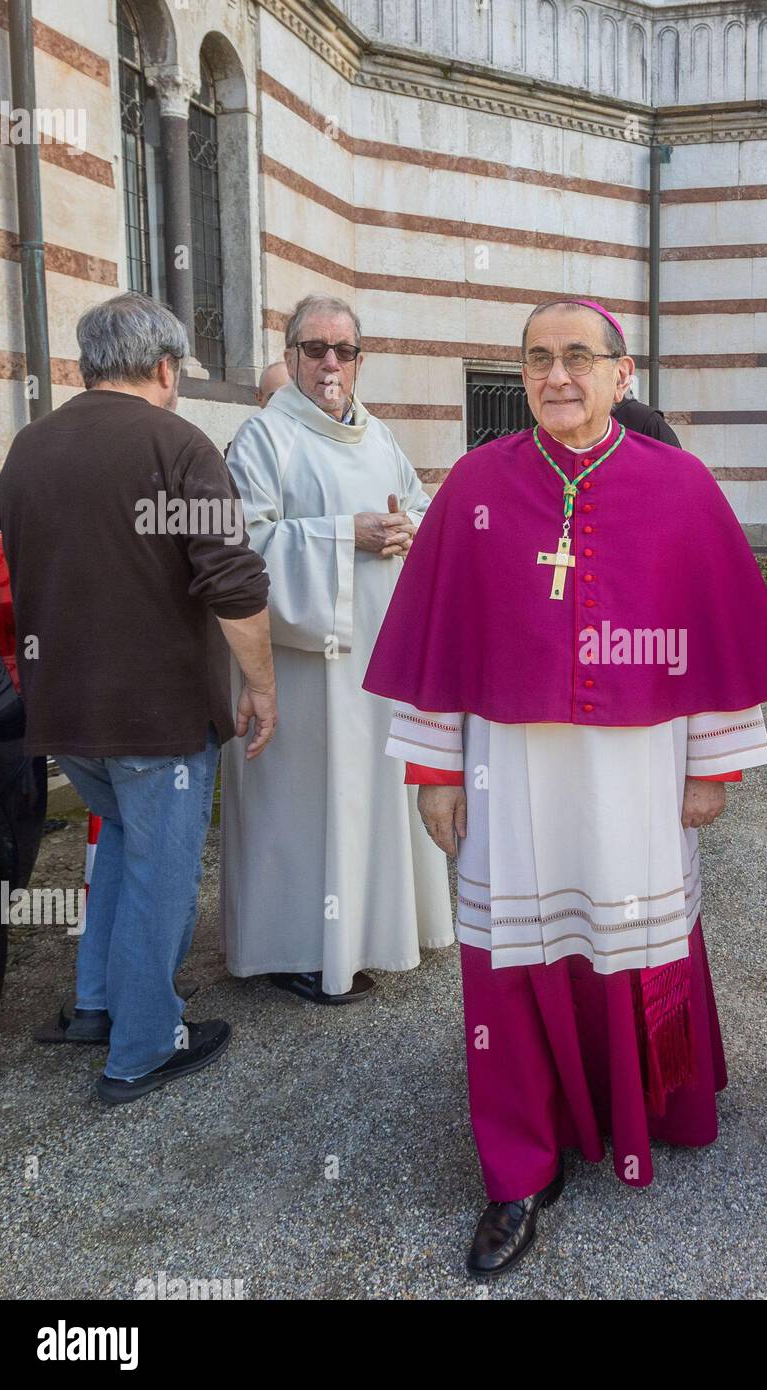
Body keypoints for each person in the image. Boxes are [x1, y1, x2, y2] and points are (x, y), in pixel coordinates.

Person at [364, 298, 767, 1275]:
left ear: (622, 371)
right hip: (507, 766)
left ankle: (642, 1103)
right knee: (512, 960)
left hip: (637, 768)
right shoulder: (476, 484)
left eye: (576, 357)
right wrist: (435, 773)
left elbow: (714, 634)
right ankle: (518, 1168)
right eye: (535, 361)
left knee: (632, 942)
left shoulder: (680, 487)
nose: (555, 376)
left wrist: (710, 766)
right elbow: (435, 641)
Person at [0, 292, 276, 1104]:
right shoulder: (180, 444)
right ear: (163, 367)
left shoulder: (28, 449)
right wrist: (261, 687)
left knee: (120, 841)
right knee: (163, 871)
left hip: (60, 709)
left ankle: (96, 1002)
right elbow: (234, 583)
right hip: (154, 713)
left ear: (90, 365)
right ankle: (144, 1046)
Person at [220, 294, 453, 1005]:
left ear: (358, 360)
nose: (329, 363)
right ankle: (298, 949)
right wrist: (338, 535)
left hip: (378, 661)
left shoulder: (378, 436)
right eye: (315, 348)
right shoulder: (263, 439)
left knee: (372, 794)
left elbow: (415, 506)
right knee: (310, 806)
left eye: (343, 351)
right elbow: (243, 549)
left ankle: (381, 931)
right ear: (290, 355)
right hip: (304, 669)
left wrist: (408, 528)